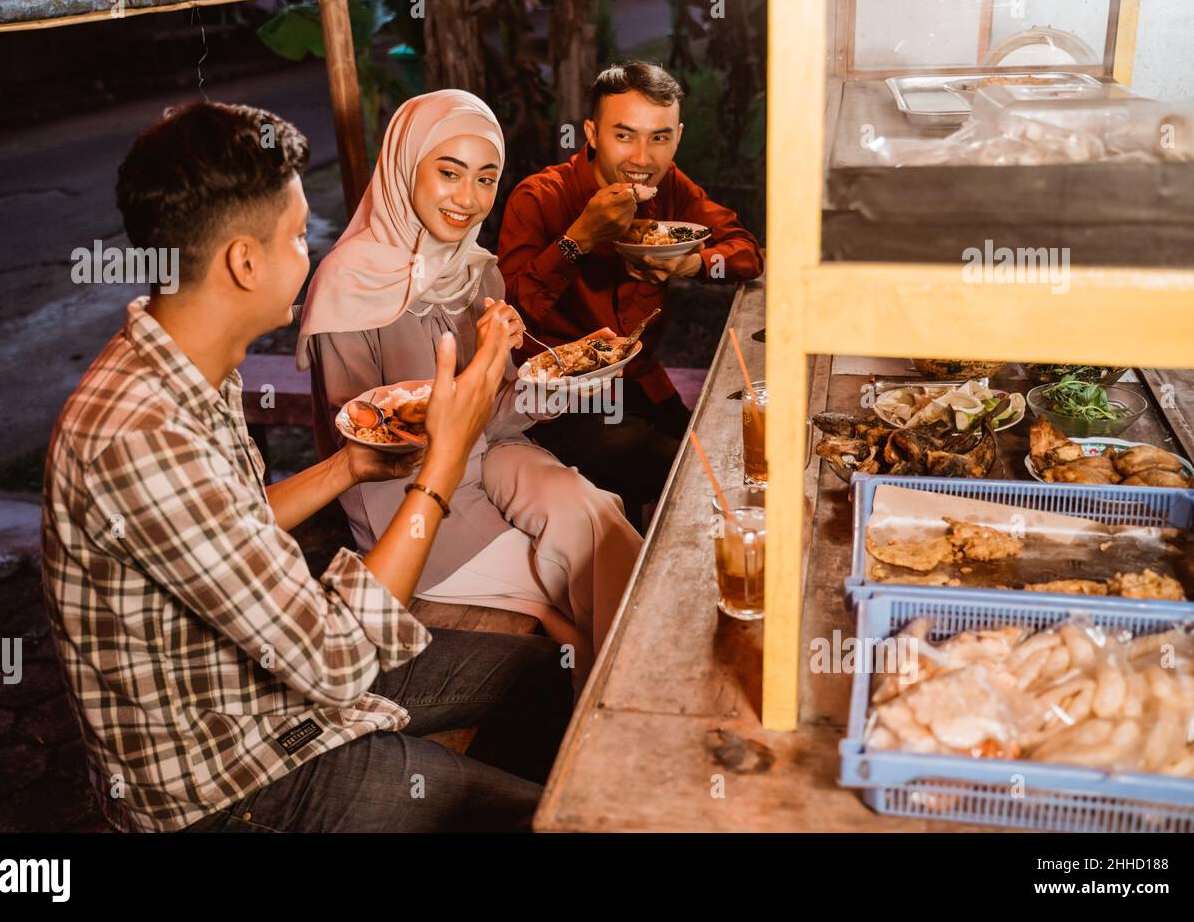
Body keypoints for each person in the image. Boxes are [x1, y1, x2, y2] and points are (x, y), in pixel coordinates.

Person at [40, 101, 573, 833]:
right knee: (557, 818)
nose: (310, 255)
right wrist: (444, 461)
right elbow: (334, 662)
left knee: (557, 678)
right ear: (244, 261)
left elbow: (234, 521)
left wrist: (352, 465)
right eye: (298, 237)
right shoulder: (138, 436)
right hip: (235, 781)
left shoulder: (185, 362)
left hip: (282, 685)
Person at [298, 90, 641, 677]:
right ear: (406, 166)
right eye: (449, 172)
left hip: (489, 454)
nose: (468, 198)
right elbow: (372, 448)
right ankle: (614, 715)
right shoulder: (347, 285)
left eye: (486, 179)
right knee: (559, 619)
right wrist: (476, 379)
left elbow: (496, 418)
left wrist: (549, 385)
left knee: (596, 520)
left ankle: (657, 669)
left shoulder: (477, 269)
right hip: (404, 492)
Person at [499, 62, 764, 529]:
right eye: (625, 136)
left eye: (659, 138)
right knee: (689, 480)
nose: (643, 157)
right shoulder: (539, 197)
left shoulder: (671, 188)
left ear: (677, 137)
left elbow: (746, 251)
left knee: (723, 453)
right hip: (559, 402)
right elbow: (513, 319)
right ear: (592, 133)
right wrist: (577, 239)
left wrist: (692, 263)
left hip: (641, 381)